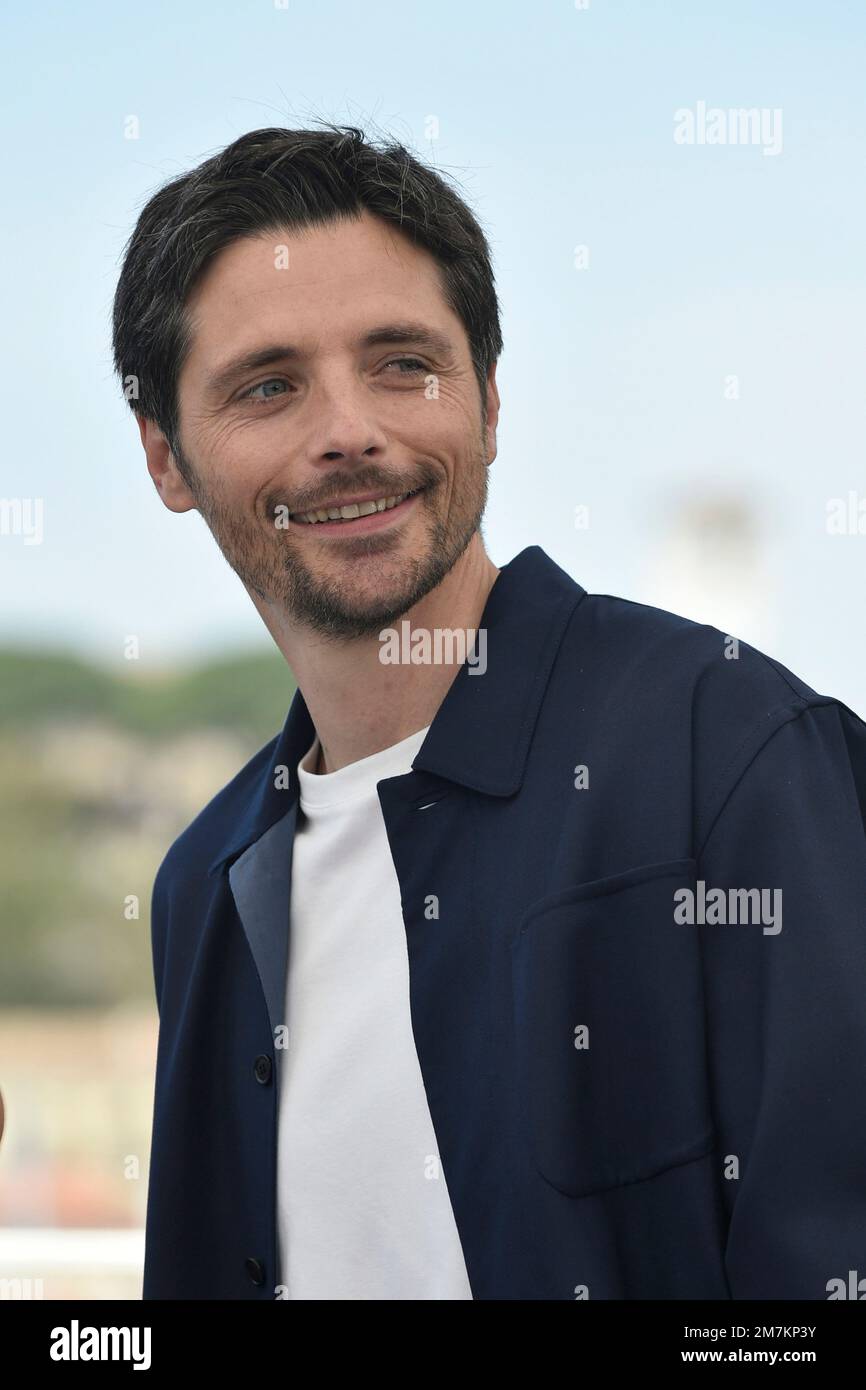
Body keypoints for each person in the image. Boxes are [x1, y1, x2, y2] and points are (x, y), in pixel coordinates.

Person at [112, 123, 866, 1300]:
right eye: (269, 385)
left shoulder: (732, 751)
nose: (349, 430)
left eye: (402, 362)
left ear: (490, 402)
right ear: (165, 456)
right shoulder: (205, 885)